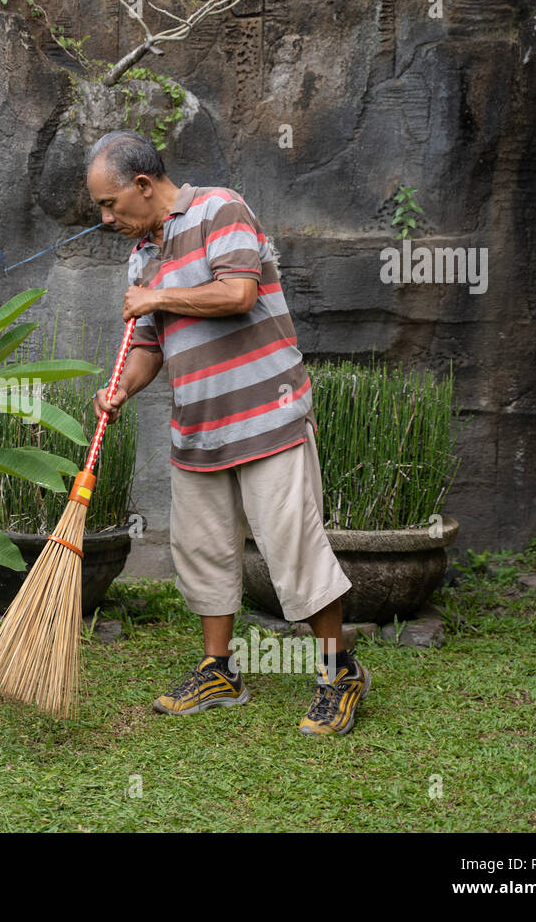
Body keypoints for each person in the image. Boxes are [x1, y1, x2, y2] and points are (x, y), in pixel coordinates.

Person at [86, 130, 370, 735]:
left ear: (143, 185)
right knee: (203, 553)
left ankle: (338, 671)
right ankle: (220, 669)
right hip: (198, 426)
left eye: (111, 204)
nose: (106, 218)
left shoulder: (220, 208)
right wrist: (122, 389)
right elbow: (147, 347)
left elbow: (237, 293)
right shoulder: (142, 256)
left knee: (292, 549)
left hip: (268, 417)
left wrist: (156, 294)